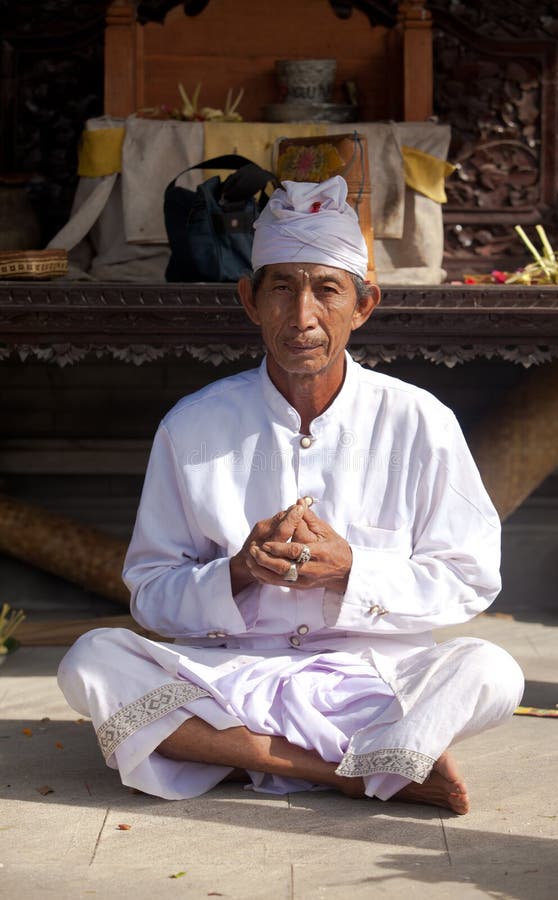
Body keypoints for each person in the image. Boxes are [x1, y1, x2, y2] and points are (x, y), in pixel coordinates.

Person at [58, 176, 524, 814]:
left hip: (371, 677)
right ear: (250, 300)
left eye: (326, 290)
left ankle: (229, 752)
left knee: (492, 672)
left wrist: (351, 570)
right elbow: (150, 591)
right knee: (91, 660)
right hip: (232, 675)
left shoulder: (421, 422)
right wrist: (240, 573)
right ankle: (348, 769)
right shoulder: (193, 427)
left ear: (363, 305)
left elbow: (470, 578)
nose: (302, 317)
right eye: (282, 288)